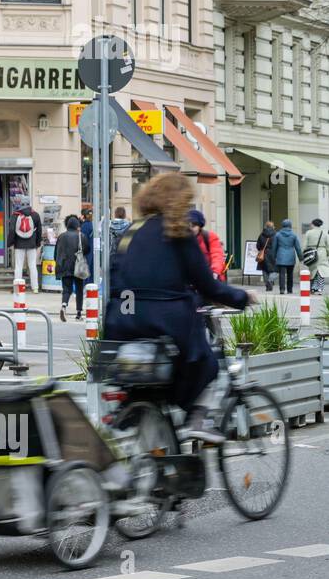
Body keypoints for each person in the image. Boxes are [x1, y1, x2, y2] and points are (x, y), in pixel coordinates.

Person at [105, 175, 251, 442]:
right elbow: (207, 285)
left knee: (147, 383)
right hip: (165, 320)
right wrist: (241, 297)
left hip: (122, 320)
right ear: (179, 201)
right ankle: (197, 418)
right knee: (206, 363)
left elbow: (116, 275)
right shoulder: (177, 231)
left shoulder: (130, 231)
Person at [53, 214, 87, 322]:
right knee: (79, 289)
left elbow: (56, 253)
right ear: (77, 225)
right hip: (78, 266)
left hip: (64, 266)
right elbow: (87, 250)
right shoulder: (81, 236)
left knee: (67, 289)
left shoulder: (61, 236)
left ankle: (64, 306)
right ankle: (78, 313)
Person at [7, 196, 42, 292]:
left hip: (19, 244)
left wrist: (10, 243)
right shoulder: (35, 215)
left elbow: (11, 230)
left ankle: (17, 287)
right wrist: (38, 243)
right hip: (32, 244)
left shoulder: (15, 215)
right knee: (32, 265)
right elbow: (39, 231)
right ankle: (35, 288)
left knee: (18, 266)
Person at [187, 209, 226, 278]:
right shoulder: (184, 240)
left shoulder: (209, 237)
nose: (191, 229)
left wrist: (215, 272)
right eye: (188, 226)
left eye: (193, 226)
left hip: (210, 276)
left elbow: (217, 255)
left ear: (200, 226)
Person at [272, 219, 301, 295]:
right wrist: (301, 258)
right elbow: (298, 248)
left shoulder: (277, 234)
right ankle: (289, 289)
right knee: (290, 274)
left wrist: (273, 257)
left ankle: (282, 289)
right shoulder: (294, 235)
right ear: (290, 225)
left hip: (281, 256)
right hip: (291, 256)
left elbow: (274, 247)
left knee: (282, 274)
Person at [306, 219, 328, 294]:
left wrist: (304, 254)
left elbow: (305, 245)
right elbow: (328, 245)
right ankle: (320, 289)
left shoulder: (309, 232)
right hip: (322, 253)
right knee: (321, 271)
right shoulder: (324, 233)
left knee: (313, 271)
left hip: (311, 253)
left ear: (313, 224)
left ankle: (313, 288)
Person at [255, 220, 277, 292]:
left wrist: (261, 249)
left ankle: (267, 284)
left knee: (264, 270)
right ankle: (270, 281)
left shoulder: (261, 235)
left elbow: (258, 246)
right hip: (273, 254)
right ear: (272, 227)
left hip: (263, 254)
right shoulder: (275, 235)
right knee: (275, 270)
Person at [79, 208, 95, 274]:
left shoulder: (83, 226)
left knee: (86, 272)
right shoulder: (93, 225)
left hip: (86, 253)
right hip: (92, 252)